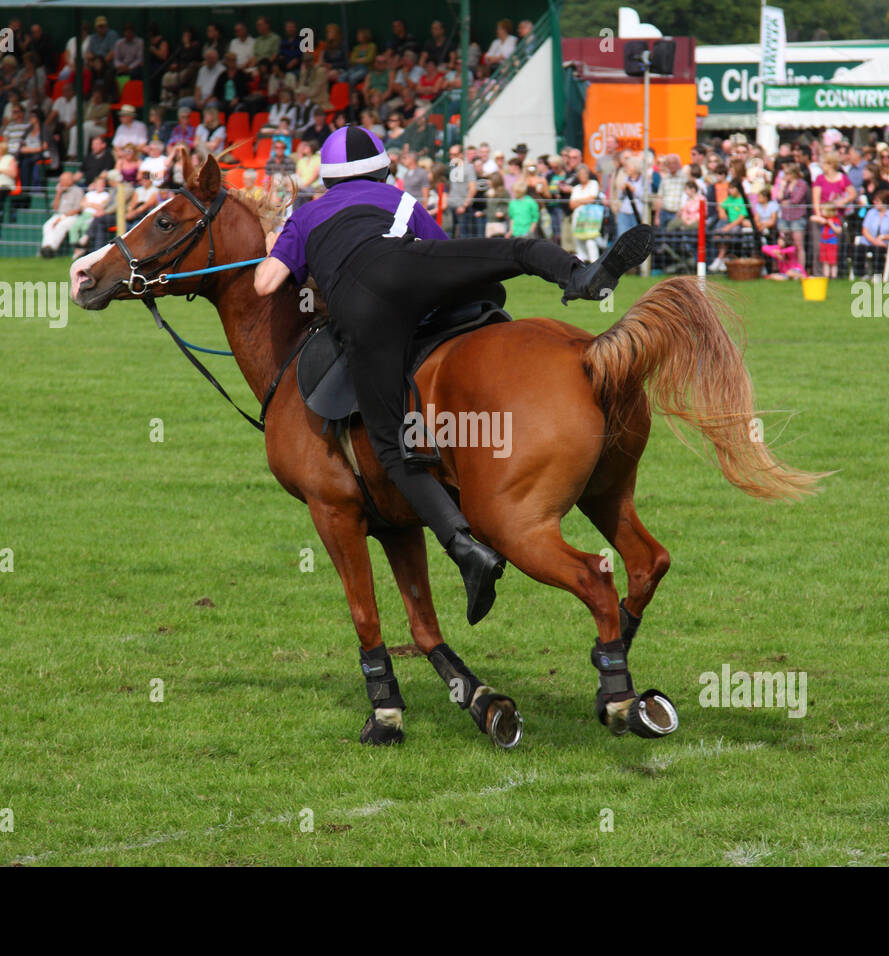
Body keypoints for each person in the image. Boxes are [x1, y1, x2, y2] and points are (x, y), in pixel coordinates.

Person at [253, 127, 653, 624]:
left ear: (329, 178)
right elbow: (441, 249)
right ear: (383, 170)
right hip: (414, 269)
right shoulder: (399, 199)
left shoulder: (309, 214)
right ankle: (582, 277)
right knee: (517, 251)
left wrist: (277, 245)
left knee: (394, 448)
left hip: (363, 311)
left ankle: (466, 550)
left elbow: (265, 283)